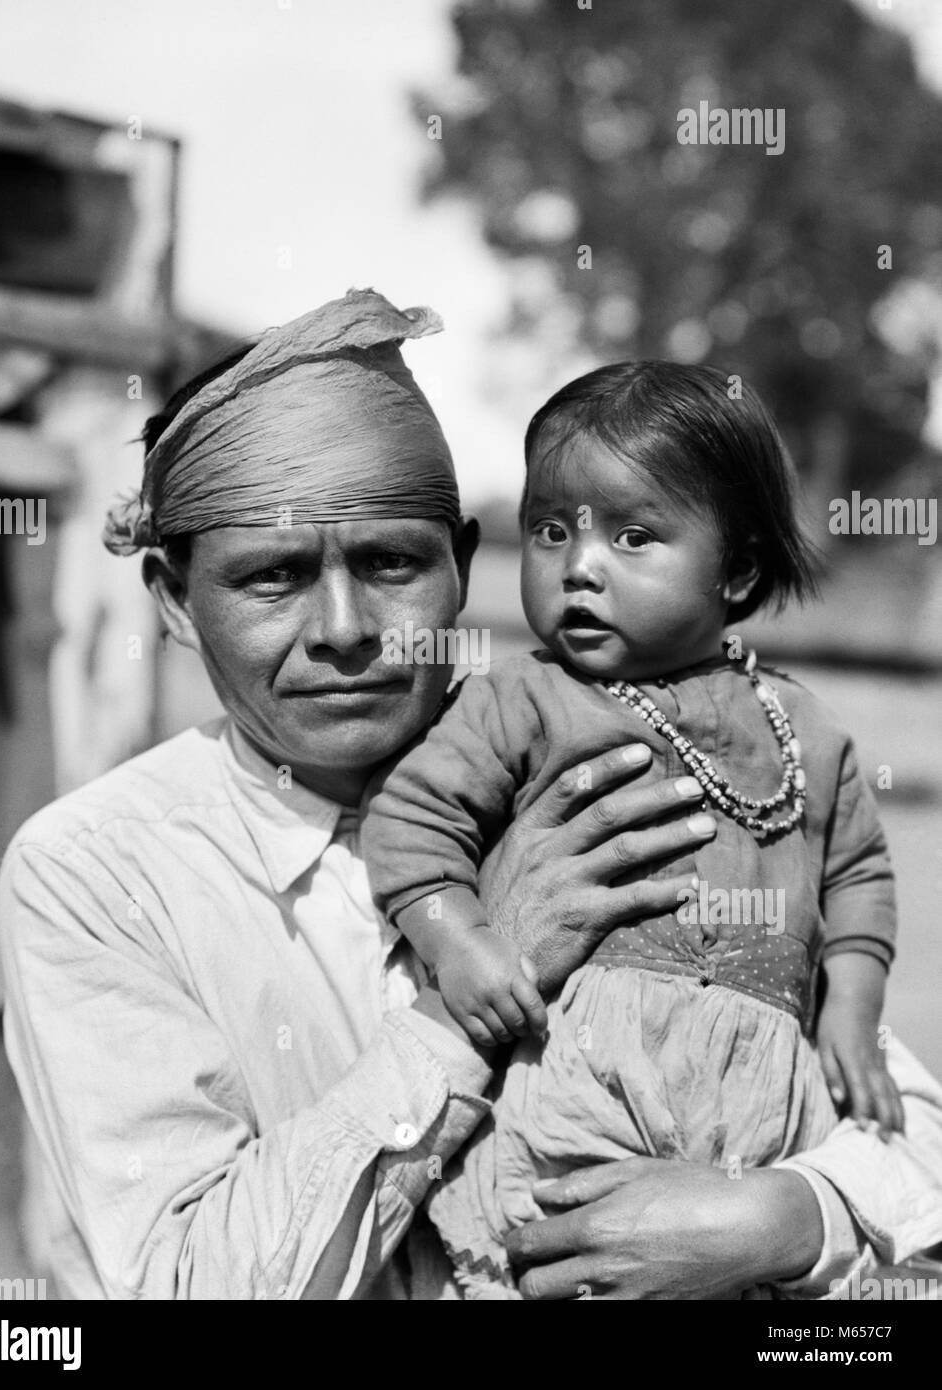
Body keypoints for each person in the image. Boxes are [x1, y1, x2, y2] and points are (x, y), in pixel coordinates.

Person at [0, 291, 942, 1300]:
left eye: (390, 561)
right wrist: (463, 1007)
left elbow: (910, 1136)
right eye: (273, 577)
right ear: (176, 603)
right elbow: (182, 1284)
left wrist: (781, 1217)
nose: (346, 627)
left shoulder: (618, 764)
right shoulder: (96, 874)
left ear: (461, 562)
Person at [361, 362, 910, 1296]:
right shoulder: (524, 700)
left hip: (762, 1120)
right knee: (552, 1261)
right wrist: (461, 942)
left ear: (735, 569)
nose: (579, 565)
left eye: (633, 536)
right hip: (574, 1091)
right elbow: (414, 819)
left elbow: (857, 876)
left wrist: (851, 1007)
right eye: (550, 530)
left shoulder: (805, 728)